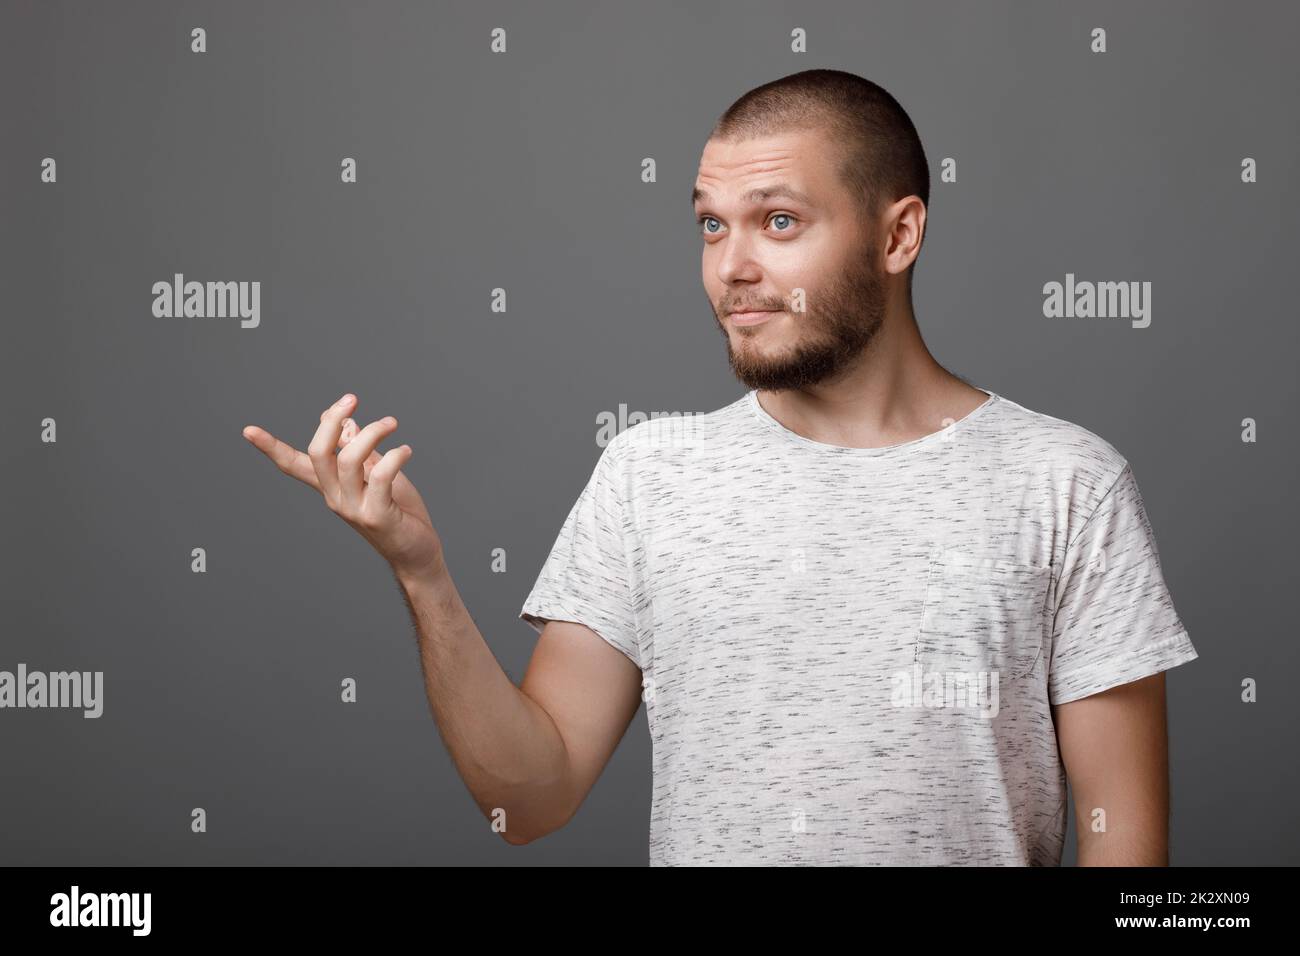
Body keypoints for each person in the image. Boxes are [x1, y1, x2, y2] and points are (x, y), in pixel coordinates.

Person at [242, 69, 1197, 866]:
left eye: (778, 222)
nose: (731, 266)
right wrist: (424, 576)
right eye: (711, 225)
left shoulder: (1066, 485)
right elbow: (529, 801)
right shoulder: (649, 475)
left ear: (898, 235)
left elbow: (1130, 868)